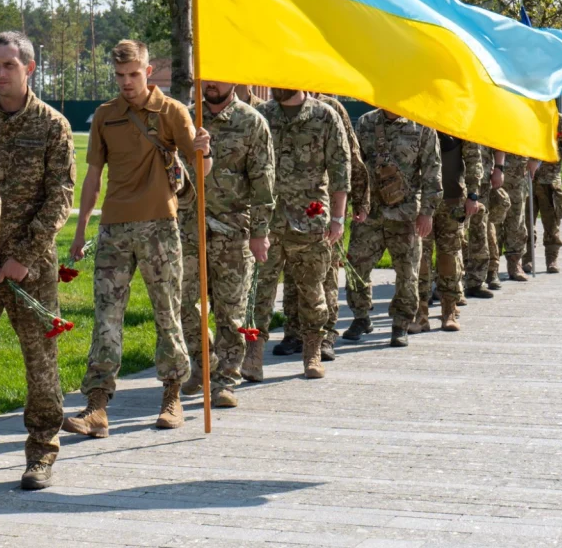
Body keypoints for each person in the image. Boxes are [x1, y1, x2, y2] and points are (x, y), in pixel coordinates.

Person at [63, 40, 211, 437]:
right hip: (113, 228)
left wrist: (203, 150)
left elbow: (202, 167)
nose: (126, 83)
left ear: (147, 72)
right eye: (119, 76)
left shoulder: (171, 111)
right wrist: (80, 233)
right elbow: (93, 176)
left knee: (167, 313)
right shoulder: (106, 116)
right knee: (106, 318)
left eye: (133, 74)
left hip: (160, 226)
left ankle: (173, 394)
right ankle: (96, 406)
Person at [0, 31, 74, 491]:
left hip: (32, 271)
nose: (0, 74)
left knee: (41, 363)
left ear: (29, 68)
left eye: (9, 65)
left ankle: (41, 452)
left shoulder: (52, 125)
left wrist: (23, 256)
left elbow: (60, 197)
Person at [178, 80, 274, 406]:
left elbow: (263, 181)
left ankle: (225, 380)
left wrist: (260, 233)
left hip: (234, 232)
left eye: (218, 77)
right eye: (206, 78)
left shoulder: (252, 122)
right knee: (185, 306)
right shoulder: (186, 119)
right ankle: (204, 363)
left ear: (232, 81)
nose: (212, 84)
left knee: (230, 312)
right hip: (189, 229)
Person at [247, 89, 348, 380]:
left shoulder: (324, 115)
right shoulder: (263, 116)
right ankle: (253, 356)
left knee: (312, 290)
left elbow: (341, 170)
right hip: (267, 221)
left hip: (311, 217)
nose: (278, 84)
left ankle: (312, 351)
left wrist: (338, 218)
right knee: (258, 292)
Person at [342, 109, 441, 348]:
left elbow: (432, 171)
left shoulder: (422, 126)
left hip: (405, 214)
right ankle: (361, 317)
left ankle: (400, 323)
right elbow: (357, 167)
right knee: (356, 266)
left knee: (407, 273)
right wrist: (358, 203)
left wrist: (427, 212)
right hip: (371, 213)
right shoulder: (366, 122)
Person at [312, 94, 368, 362]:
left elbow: (351, 158)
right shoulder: (274, 108)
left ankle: (326, 334)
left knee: (328, 272)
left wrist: (359, 200)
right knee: (292, 275)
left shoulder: (332, 109)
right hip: (285, 210)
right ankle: (294, 332)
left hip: (324, 207)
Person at [413, 133, 483, 333]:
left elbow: (473, 159)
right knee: (420, 260)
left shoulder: (457, 120)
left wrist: (473, 194)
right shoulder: (418, 118)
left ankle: (449, 311)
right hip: (421, 202)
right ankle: (421, 314)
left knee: (449, 258)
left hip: (452, 201)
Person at [532, 113, 562, 273]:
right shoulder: (525, 115)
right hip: (524, 179)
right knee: (522, 223)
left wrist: (549, 153)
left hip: (549, 179)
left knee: (551, 223)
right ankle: (525, 259)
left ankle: (552, 259)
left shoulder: (561, 121)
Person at [463, 146, 505, 297]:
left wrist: (499, 168)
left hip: (483, 176)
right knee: (456, 232)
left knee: (482, 229)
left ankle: (482, 277)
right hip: (455, 178)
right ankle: (453, 281)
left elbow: (499, 141)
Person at [500, 151, 539, 281]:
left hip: (518, 170)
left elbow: (534, 133)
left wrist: (535, 158)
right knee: (491, 221)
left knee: (516, 220)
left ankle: (514, 263)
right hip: (490, 166)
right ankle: (490, 268)